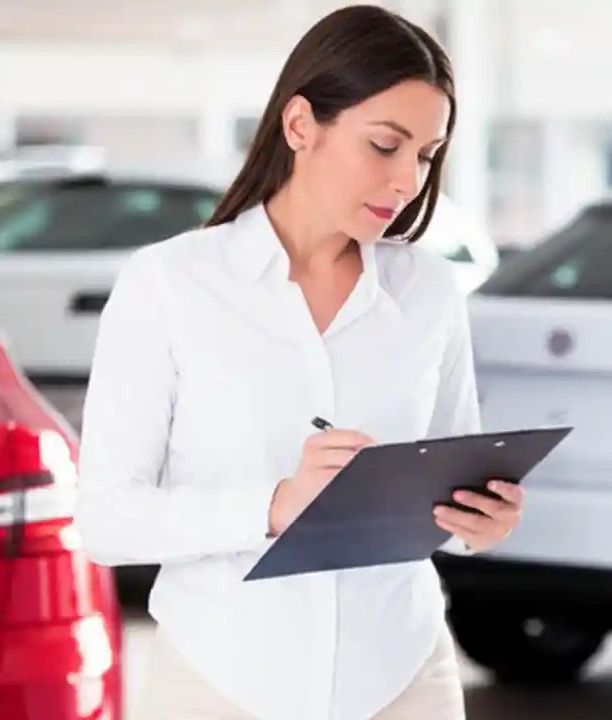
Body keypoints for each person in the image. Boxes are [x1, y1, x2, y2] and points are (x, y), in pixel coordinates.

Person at [74, 5, 524, 719]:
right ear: (299, 126)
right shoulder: (170, 284)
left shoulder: (429, 291)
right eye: (385, 145)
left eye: (427, 155)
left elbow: (447, 488)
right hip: (222, 679)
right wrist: (275, 505)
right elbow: (106, 521)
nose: (408, 179)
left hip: (403, 675)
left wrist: (480, 525)